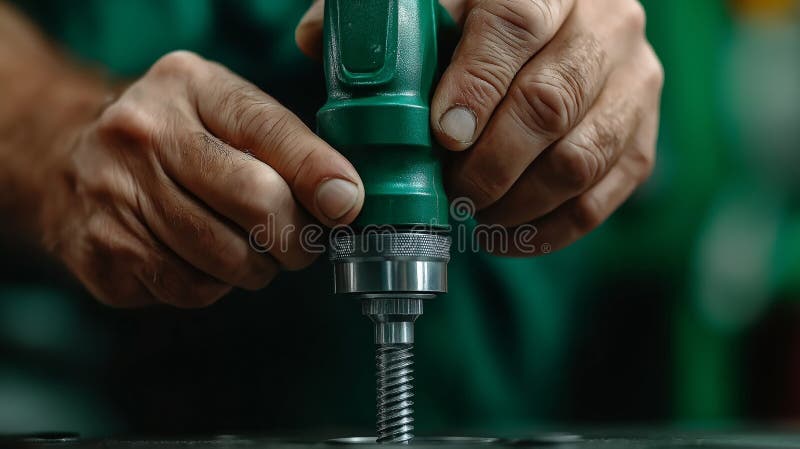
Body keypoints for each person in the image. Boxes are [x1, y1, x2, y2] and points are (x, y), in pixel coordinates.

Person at [0, 0, 664, 435]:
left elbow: (617, 43)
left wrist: (590, 62)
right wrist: (48, 130)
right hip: (97, 381)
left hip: (504, 375)